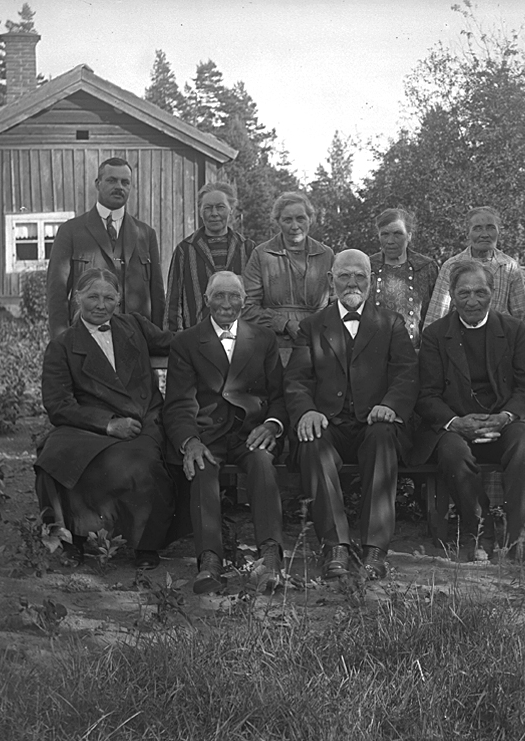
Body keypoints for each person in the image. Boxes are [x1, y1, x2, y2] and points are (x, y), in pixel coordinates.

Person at [285, 249, 418, 580]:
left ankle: (374, 550)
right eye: (344, 275)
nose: (352, 282)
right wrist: (307, 411)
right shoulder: (313, 326)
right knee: (312, 440)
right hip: (330, 423)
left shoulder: (391, 323)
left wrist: (390, 405)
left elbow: (406, 374)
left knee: (384, 437)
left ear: (371, 281)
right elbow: (297, 380)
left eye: (360, 275)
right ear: (331, 281)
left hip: (374, 421)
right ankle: (336, 547)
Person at [35, 268, 174, 568]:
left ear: (119, 300)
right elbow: (58, 404)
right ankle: (70, 538)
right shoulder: (62, 345)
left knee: (141, 460)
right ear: (76, 300)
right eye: (93, 297)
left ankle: (145, 543)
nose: (101, 305)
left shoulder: (134, 325)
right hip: (88, 423)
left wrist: (221, 333)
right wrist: (107, 424)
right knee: (54, 457)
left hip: (141, 418)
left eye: (109, 297)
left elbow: (176, 344)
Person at [411, 260, 525, 565]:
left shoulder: (513, 330)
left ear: (493, 292)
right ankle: (478, 531)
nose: (472, 301)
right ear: (452, 295)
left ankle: (522, 538)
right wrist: (456, 422)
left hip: (504, 422)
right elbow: (426, 394)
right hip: (457, 424)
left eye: (480, 292)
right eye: (464, 293)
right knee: (450, 451)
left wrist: (505, 416)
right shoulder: (435, 335)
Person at [163, 271, 288, 594]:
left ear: (245, 303)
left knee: (262, 463)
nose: (227, 304)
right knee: (201, 466)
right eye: (219, 296)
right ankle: (209, 561)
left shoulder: (262, 339)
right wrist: (189, 441)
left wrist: (271, 425)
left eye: (234, 297)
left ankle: (270, 557)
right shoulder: (186, 342)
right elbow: (178, 404)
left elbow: (279, 396)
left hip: (251, 432)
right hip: (207, 433)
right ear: (207, 301)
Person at [47, 157, 164, 340]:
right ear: (98, 184)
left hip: (136, 343)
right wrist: (60, 344)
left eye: (125, 182)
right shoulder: (71, 231)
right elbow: (57, 294)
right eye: (112, 180)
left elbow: (157, 296)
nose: (119, 187)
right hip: (86, 342)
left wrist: (157, 344)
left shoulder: (145, 234)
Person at [241, 191, 335, 358]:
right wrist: (284, 324)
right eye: (287, 220)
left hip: (318, 345)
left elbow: (336, 303)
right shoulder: (262, 255)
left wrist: (315, 327)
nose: (294, 226)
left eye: (300, 218)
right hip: (274, 346)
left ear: (310, 219)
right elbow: (247, 307)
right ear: (277, 222)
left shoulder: (326, 255)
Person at [164, 181, 257, 331]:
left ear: (231, 210)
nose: (214, 213)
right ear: (200, 211)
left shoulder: (247, 249)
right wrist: (174, 338)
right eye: (208, 208)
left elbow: (255, 298)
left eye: (220, 207)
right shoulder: (186, 250)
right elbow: (173, 301)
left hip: (240, 339)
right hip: (197, 336)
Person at [422, 206, 525, 329]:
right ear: (467, 233)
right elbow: (437, 313)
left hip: (498, 339)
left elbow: (520, 314)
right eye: (477, 229)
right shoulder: (452, 266)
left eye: (490, 228)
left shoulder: (509, 266)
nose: (484, 234)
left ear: (499, 232)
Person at [368, 208, 439, 346]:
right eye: (385, 234)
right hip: (374, 351)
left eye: (397, 234)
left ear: (409, 235)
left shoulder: (426, 267)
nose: (390, 241)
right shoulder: (368, 266)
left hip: (416, 351)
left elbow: (436, 314)